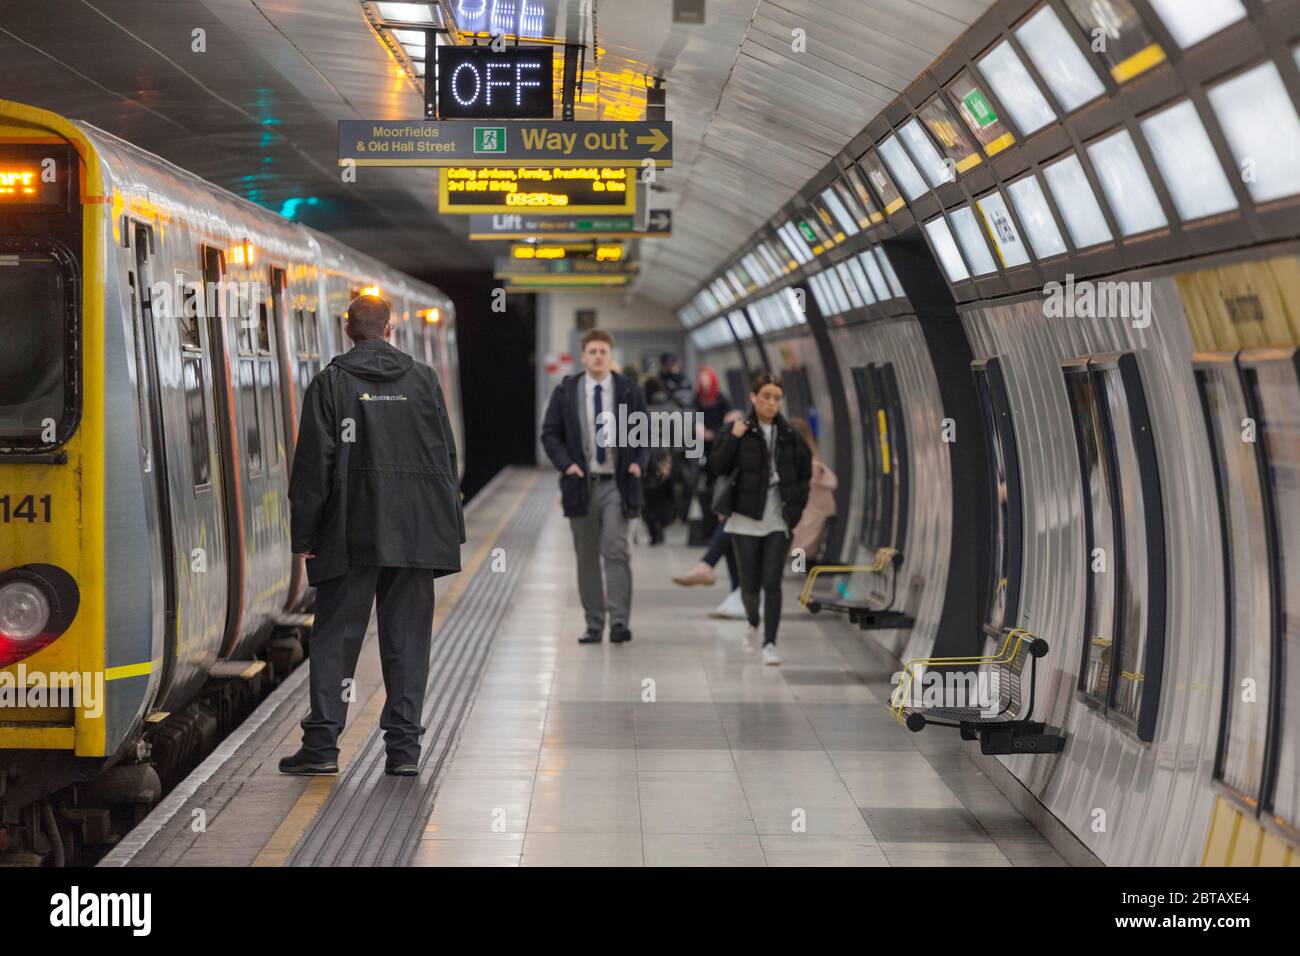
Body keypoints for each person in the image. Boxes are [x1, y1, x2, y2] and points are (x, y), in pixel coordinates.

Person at [281, 294, 465, 777]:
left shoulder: (331, 382)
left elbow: (312, 470)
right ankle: (403, 751)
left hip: (348, 530)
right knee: (407, 640)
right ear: (390, 329)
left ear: (348, 330)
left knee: (335, 638)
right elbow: (445, 457)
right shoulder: (424, 380)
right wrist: (447, 528)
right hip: (414, 533)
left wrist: (305, 537)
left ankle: (321, 747)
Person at [540, 328, 648, 644]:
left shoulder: (628, 390)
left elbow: (643, 434)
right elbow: (550, 434)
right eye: (593, 351)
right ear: (584, 356)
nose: (598, 356)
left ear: (610, 356)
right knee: (586, 555)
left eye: (603, 351)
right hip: (581, 483)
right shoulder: (567, 391)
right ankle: (593, 623)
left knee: (615, 548)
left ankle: (618, 621)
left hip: (618, 482)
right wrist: (567, 465)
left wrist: (637, 463)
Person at [708, 372, 811, 665]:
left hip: (778, 518)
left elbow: (805, 472)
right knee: (750, 583)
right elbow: (716, 466)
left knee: (772, 581)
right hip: (744, 518)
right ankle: (753, 620)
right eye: (766, 396)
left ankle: (770, 643)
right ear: (753, 398)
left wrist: (797, 506)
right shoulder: (735, 430)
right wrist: (733, 439)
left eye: (777, 398)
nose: (771, 403)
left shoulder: (790, 435)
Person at [788, 417, 838, 563]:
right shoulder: (811, 463)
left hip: (810, 521)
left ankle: (798, 567)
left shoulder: (809, 467)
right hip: (812, 518)